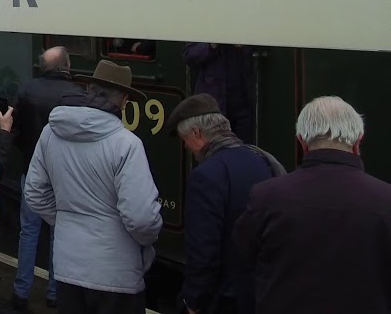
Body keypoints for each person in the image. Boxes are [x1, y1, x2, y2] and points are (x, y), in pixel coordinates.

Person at [24, 61, 162, 314]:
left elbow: (34, 193)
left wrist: (67, 219)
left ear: (89, 88)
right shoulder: (127, 144)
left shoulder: (50, 133)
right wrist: (147, 240)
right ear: (124, 100)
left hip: (67, 268)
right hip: (116, 273)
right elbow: (141, 218)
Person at [233, 96, 391, 312]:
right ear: (358, 142)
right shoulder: (386, 198)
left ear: (302, 142)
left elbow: (245, 253)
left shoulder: (265, 196)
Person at [167, 93, 283, 314]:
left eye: (185, 140)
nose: (186, 147)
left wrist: (193, 301)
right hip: (261, 291)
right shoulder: (262, 160)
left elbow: (204, 250)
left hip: (226, 297)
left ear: (197, 134)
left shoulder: (206, 176)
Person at [9, 46, 82, 311]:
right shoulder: (78, 94)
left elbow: (13, 129)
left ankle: (21, 292)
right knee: (58, 235)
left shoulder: (27, 90)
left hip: (32, 170)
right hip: (63, 176)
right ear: (67, 65)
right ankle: (54, 293)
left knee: (28, 232)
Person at [182, 43, 255, 143]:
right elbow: (189, 55)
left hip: (243, 106)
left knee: (243, 150)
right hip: (211, 109)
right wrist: (212, 44)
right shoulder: (205, 28)